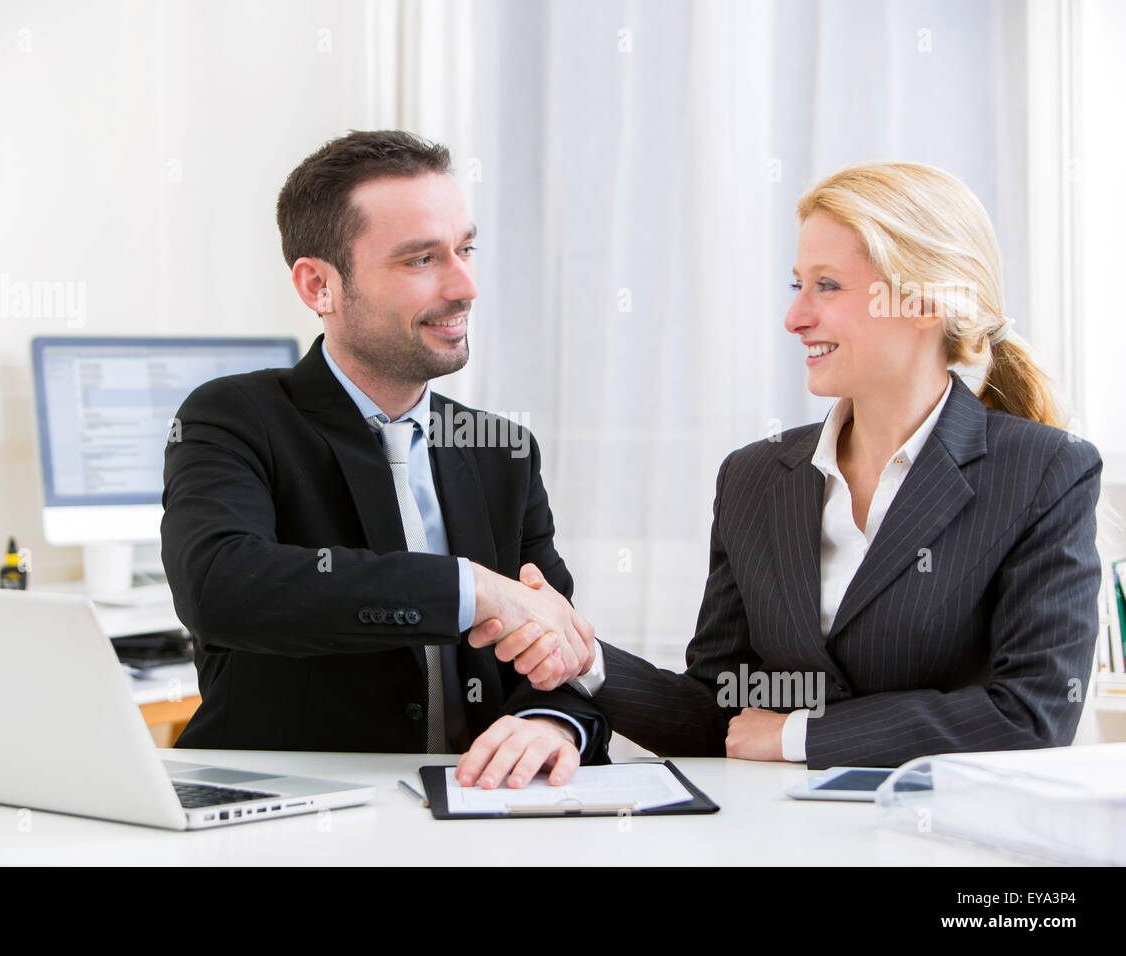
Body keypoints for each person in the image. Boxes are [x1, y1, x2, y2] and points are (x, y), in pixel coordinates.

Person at [479, 161, 1102, 770]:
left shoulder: (1046, 472)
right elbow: (721, 712)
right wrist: (588, 661)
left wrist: (802, 736)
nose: (795, 317)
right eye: (797, 285)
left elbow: (1031, 714)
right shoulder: (753, 477)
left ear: (923, 303)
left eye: (827, 286)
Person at [161, 130, 608, 787]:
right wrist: (471, 588)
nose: (466, 286)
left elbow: (557, 643)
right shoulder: (234, 417)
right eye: (421, 259)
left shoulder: (502, 450)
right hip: (291, 812)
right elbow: (222, 587)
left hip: (475, 812)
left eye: (465, 249)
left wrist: (549, 721)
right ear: (319, 286)